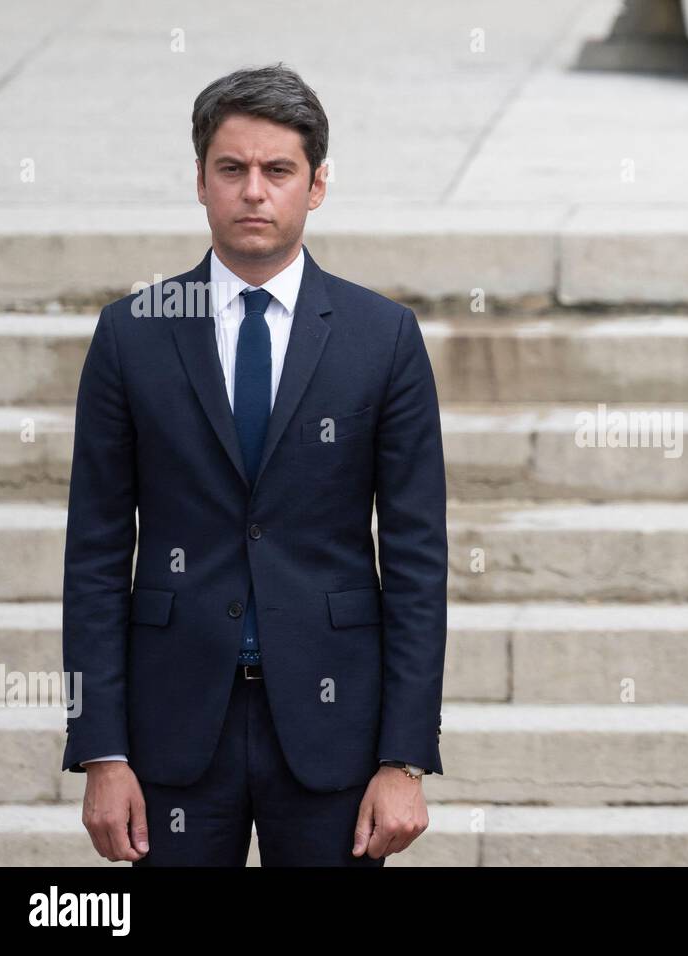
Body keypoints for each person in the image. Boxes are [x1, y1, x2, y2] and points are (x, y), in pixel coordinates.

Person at [61, 63, 447, 866]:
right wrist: (101, 750)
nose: (254, 192)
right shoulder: (132, 334)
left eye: (278, 170)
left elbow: (417, 561)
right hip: (170, 730)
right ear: (200, 181)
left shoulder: (383, 338)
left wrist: (404, 759)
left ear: (317, 184)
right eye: (231, 169)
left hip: (335, 732)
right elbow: (94, 553)